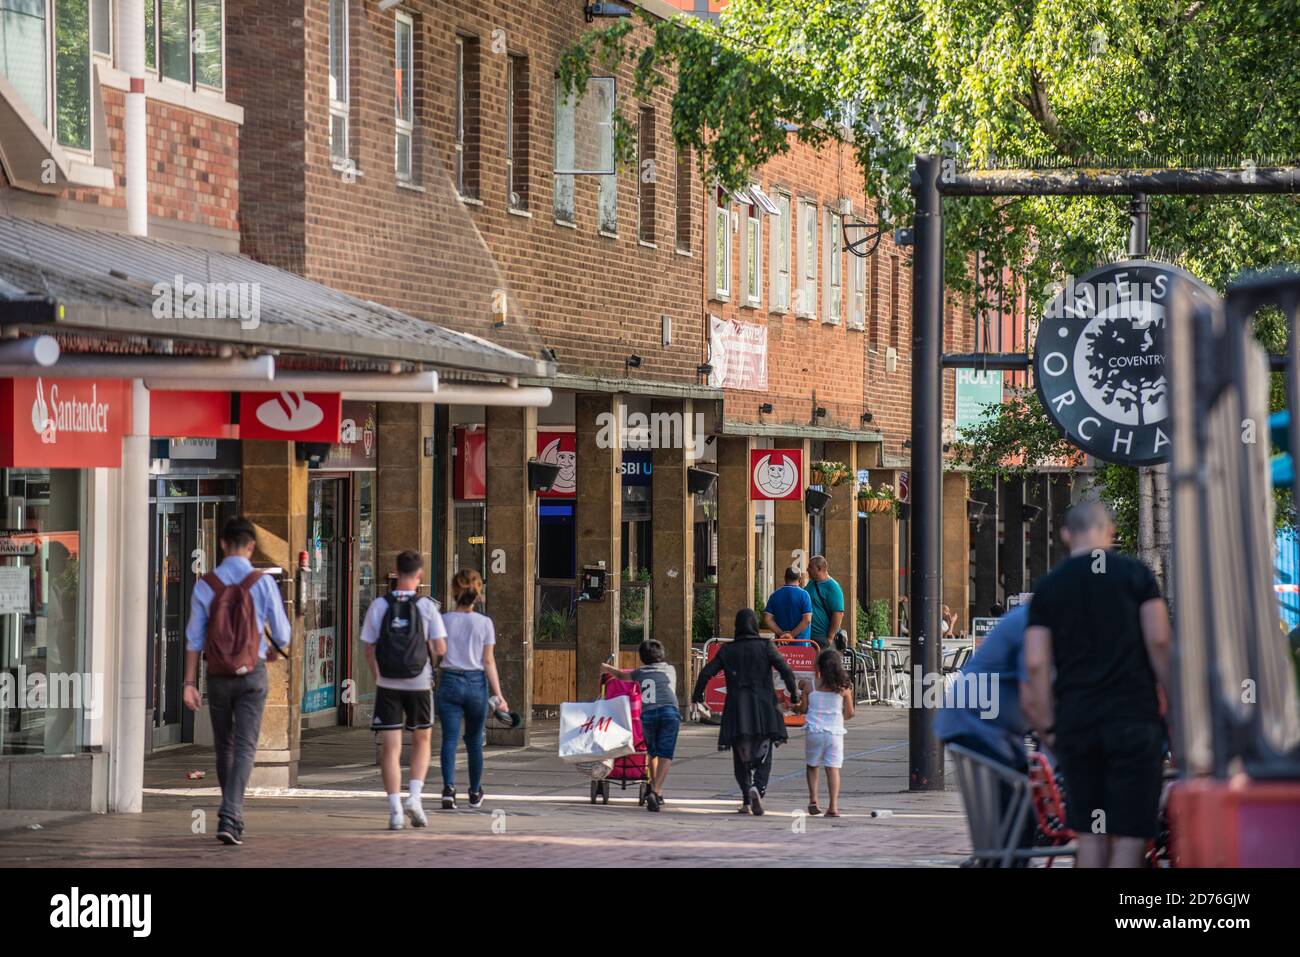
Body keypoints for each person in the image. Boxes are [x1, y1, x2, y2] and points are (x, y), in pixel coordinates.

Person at [1023, 501, 1172, 869]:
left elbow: (1036, 662)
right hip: (1134, 721)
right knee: (1132, 833)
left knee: (1091, 831)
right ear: (1110, 532)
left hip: (1078, 723)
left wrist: (1049, 726)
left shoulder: (1049, 588)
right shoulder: (1136, 576)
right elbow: (1160, 643)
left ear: (1065, 535)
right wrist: (1176, 711)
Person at [183, 516, 291, 846]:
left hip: (217, 676)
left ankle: (231, 813)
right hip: (253, 673)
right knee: (245, 747)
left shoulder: (206, 584)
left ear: (223, 544)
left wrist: (189, 682)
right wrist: (266, 650)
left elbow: (193, 638)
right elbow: (283, 634)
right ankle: (231, 815)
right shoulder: (262, 583)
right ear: (251, 546)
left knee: (224, 746)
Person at [360, 550, 447, 830]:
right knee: (422, 739)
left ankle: (395, 810)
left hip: (388, 684)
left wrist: (379, 677)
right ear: (419, 575)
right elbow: (440, 647)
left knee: (390, 747)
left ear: (396, 572)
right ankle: (415, 797)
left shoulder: (379, 606)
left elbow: (369, 649)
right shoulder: (426, 607)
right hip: (419, 682)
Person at [691, 609, 800, 815]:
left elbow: (706, 673)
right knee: (765, 753)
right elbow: (785, 670)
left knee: (739, 755)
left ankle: (746, 799)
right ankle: (757, 788)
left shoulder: (727, 650)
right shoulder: (766, 646)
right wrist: (794, 695)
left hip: (737, 708)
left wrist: (697, 697)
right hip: (764, 707)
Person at [436, 568, 508, 810]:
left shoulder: (443, 620)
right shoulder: (485, 623)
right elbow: (488, 661)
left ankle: (448, 790)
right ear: (478, 593)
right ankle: (475, 791)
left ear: (454, 591)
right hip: (476, 683)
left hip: (449, 681)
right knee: (474, 741)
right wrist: (498, 695)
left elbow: (438, 652)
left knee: (449, 739)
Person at [600, 638, 679, 811]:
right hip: (669, 712)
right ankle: (656, 791)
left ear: (642, 657)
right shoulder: (670, 670)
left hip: (648, 714)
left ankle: (653, 786)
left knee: (652, 753)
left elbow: (620, 675)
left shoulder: (640, 673)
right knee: (666, 755)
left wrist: (607, 668)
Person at [795, 649, 855, 817]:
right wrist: (838, 719)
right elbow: (850, 713)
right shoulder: (844, 688)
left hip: (814, 731)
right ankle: (833, 806)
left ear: (819, 667)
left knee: (812, 766)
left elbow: (804, 709)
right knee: (833, 769)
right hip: (835, 733)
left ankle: (813, 799)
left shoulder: (810, 685)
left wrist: (796, 703)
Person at [764, 566, 813, 644]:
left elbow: (767, 619)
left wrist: (781, 634)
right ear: (800, 579)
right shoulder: (804, 595)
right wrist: (791, 635)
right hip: (801, 646)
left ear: (785, 578)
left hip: (781, 645)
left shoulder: (774, 595)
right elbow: (807, 620)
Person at [804, 556, 845, 649]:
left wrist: (830, 637)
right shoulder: (811, 583)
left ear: (819, 569)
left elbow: (838, 614)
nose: (807, 569)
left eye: (810, 567)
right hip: (808, 636)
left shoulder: (833, 587)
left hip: (823, 637)